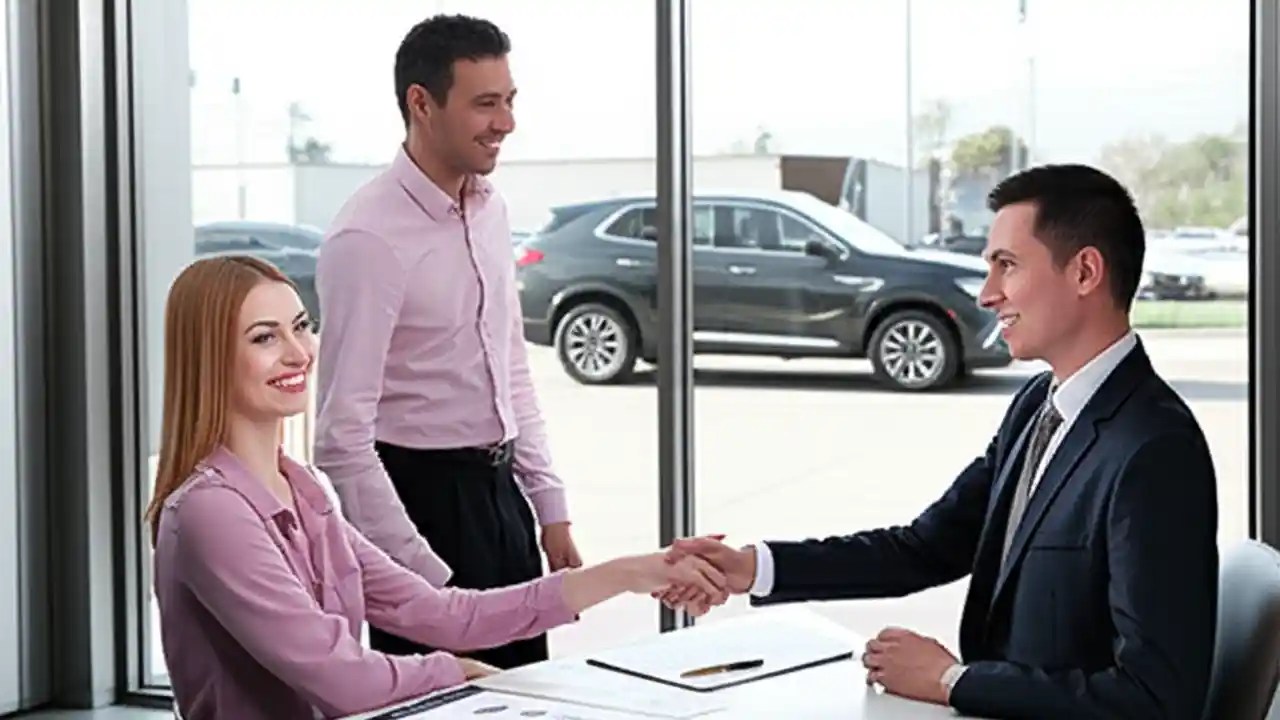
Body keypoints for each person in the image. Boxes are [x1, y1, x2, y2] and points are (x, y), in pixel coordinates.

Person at [662, 165, 1219, 720]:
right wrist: (751, 567)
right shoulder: (1037, 407)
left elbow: (1155, 699)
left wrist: (953, 681)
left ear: (1085, 272)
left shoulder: (1153, 450)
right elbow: (924, 548)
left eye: (1007, 266)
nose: (987, 294)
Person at [146, 256, 727, 720]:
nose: (299, 353)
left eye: (301, 326)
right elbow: (341, 677)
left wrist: (635, 573)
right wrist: (457, 672)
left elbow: (439, 612)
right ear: (211, 355)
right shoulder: (210, 513)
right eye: (264, 338)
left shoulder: (305, 491)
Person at [313, 14, 575, 669]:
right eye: (485, 103)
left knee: (527, 704)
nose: (506, 122)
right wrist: (417, 567)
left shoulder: (492, 210)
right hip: (422, 507)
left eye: (510, 100)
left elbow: (510, 370)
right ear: (421, 104)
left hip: (501, 499)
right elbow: (341, 436)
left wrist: (548, 508)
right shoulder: (367, 239)